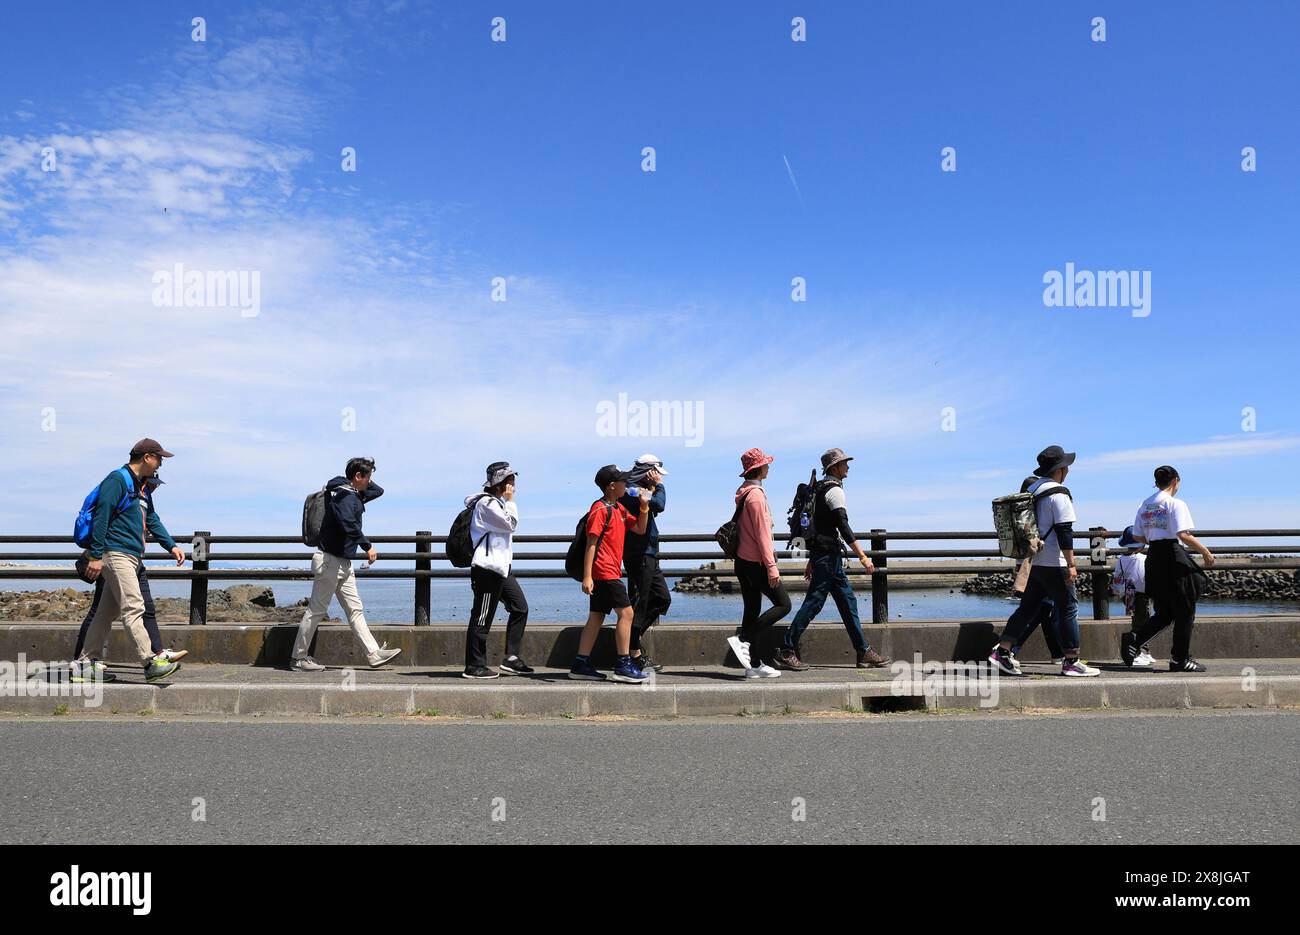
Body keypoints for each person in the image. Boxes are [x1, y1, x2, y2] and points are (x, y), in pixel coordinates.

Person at [81, 439, 186, 682]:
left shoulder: (142, 487)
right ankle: (150, 662)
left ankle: (85, 665)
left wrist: (170, 545)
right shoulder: (117, 480)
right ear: (147, 457)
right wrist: (96, 555)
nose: (160, 463)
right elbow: (101, 517)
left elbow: (152, 518)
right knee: (134, 606)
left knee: (105, 615)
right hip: (115, 553)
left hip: (132, 556)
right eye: (159, 458)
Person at [774, 448, 889, 670]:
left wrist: (812, 559)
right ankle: (786, 650)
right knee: (813, 603)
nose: (848, 466)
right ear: (834, 467)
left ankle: (863, 651)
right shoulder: (834, 491)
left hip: (826, 557)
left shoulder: (819, 488)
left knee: (848, 603)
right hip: (827, 558)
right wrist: (863, 557)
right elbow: (842, 526)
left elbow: (818, 529)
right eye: (844, 463)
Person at [990, 445, 1100, 677]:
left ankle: (1002, 651)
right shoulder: (1059, 493)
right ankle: (1071, 661)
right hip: (1055, 562)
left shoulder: (1033, 488)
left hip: (1035, 562)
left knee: (1027, 609)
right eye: (1066, 466)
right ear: (1061, 469)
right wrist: (1071, 564)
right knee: (1069, 608)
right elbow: (1064, 531)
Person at [290, 458, 401, 672]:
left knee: (355, 609)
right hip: (330, 561)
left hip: (343, 563)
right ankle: (298, 658)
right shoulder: (344, 497)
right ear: (358, 477)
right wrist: (367, 546)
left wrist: (355, 477)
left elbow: (379, 491)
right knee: (317, 610)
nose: (371, 481)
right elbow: (348, 523)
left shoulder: (351, 493)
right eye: (368, 477)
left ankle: (373, 654)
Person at [568, 465, 652, 683]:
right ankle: (623, 664)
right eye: (623, 481)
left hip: (609, 571)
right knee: (627, 614)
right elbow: (591, 543)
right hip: (604, 572)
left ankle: (580, 663)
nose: (627, 484)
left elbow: (640, 529)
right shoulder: (600, 509)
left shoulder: (619, 509)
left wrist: (644, 506)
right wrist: (587, 576)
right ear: (612, 486)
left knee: (596, 616)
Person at [1126, 465, 1214, 672]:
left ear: (1157, 483)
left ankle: (1134, 640)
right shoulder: (1175, 503)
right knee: (1186, 607)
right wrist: (1205, 552)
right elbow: (1183, 535)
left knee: (1165, 611)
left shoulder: (1145, 504)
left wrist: (1153, 537)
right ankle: (1180, 659)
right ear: (1176, 481)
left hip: (1154, 556)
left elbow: (1137, 537)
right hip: (1172, 555)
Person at [463, 462, 532, 679]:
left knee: (520, 607)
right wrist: (511, 502)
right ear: (500, 483)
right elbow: (510, 524)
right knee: (482, 617)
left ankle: (511, 658)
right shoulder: (486, 504)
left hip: (501, 568)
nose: (513, 484)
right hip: (487, 569)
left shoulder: (496, 503)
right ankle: (474, 666)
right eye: (510, 480)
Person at [728, 448, 786, 678]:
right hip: (756, 563)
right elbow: (762, 534)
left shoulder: (744, 494)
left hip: (743, 562)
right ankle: (743, 639)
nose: (769, 467)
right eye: (766, 464)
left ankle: (753, 666)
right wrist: (771, 566)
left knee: (751, 610)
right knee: (783, 604)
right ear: (759, 469)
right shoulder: (756, 496)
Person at [620, 455, 670, 673]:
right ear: (650, 471)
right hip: (640, 554)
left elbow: (654, 509)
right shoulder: (634, 490)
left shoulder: (638, 488)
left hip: (647, 553)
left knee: (662, 599)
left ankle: (633, 639)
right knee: (642, 602)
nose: (658, 477)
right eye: (656, 473)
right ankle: (634, 652)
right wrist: (659, 485)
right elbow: (659, 504)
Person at [1112, 525, 1155, 668]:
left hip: (1129, 595)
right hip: (1143, 594)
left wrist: (1121, 594)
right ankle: (1141, 651)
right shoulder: (1144, 559)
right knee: (1143, 623)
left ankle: (1144, 651)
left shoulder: (1121, 560)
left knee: (1138, 622)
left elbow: (1117, 580)